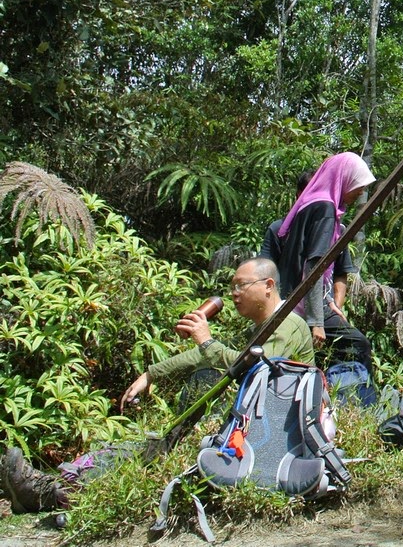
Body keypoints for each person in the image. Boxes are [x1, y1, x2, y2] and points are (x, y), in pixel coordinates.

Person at [1, 257, 313, 514]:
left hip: (265, 441)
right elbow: (204, 356)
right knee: (145, 448)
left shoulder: (288, 323)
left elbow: (261, 369)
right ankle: (48, 487)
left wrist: (208, 341)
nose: (234, 293)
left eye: (241, 285)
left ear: (268, 286)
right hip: (245, 431)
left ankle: (48, 493)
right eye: (232, 287)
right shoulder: (262, 326)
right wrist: (151, 374)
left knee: (151, 451)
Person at [263, 166, 372, 374]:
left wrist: (333, 305)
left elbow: (338, 273)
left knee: (352, 345)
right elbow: (308, 267)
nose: (360, 193)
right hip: (292, 303)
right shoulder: (289, 226)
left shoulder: (334, 227)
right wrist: (316, 321)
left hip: (318, 303)